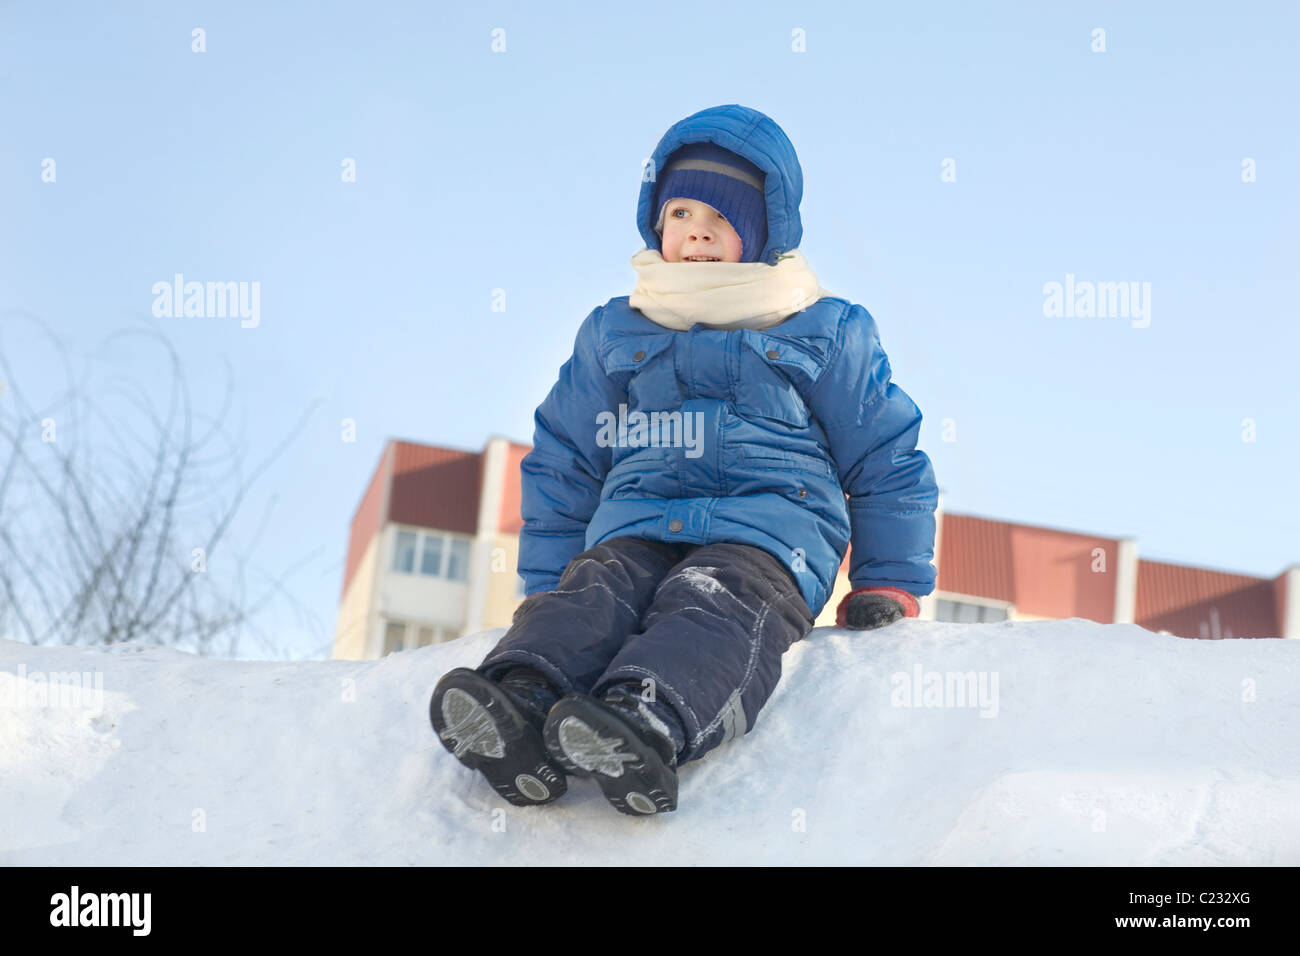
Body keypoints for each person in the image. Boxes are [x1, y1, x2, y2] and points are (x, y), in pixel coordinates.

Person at [430, 104, 938, 816]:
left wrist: (889, 578)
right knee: (595, 591)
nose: (696, 229)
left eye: (722, 217)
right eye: (681, 211)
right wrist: (550, 579)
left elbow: (884, 454)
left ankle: (645, 715)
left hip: (768, 537)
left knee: (714, 599)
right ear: (655, 223)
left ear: (763, 233)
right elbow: (567, 457)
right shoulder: (617, 330)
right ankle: (519, 701)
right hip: (636, 524)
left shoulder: (822, 330)